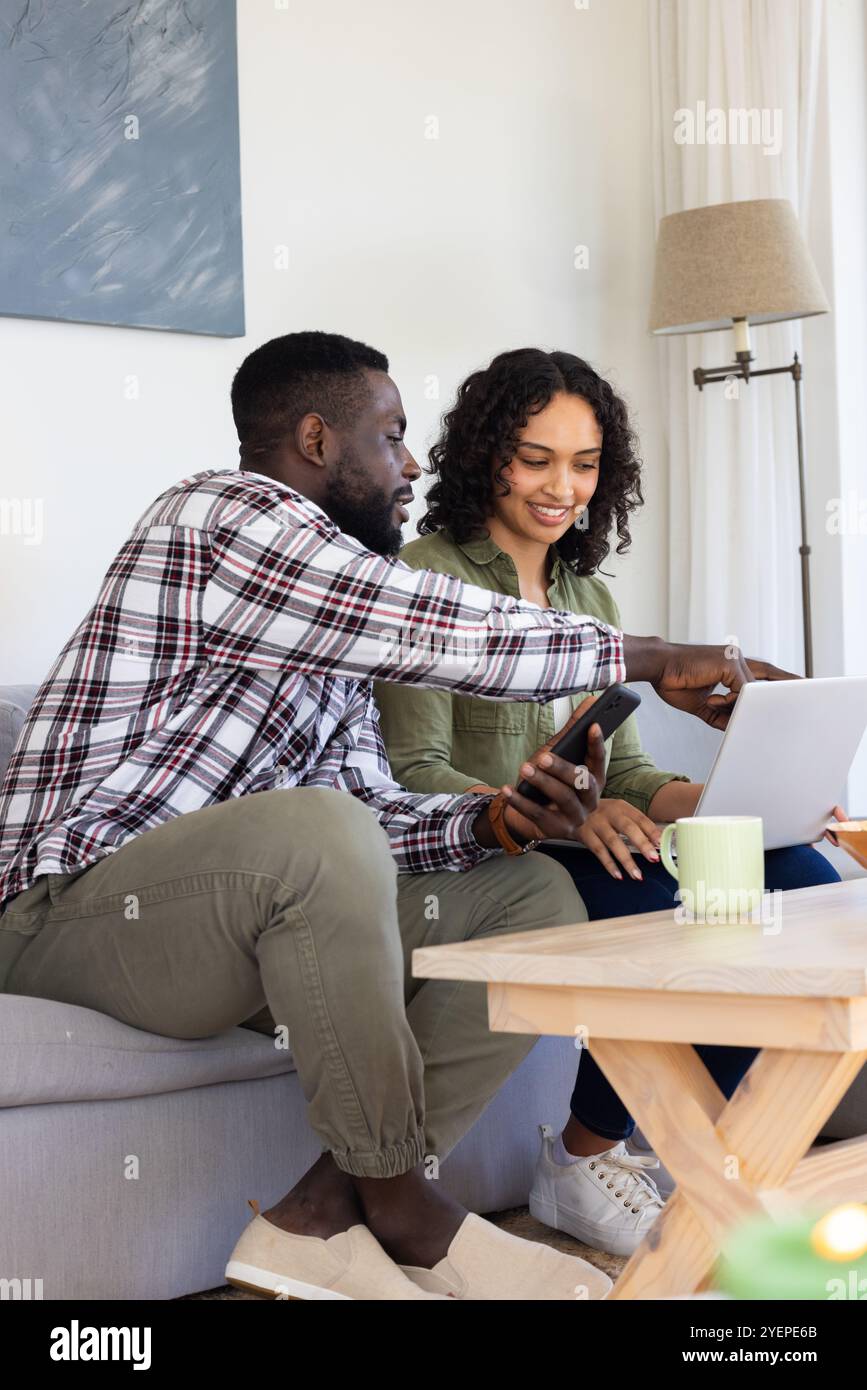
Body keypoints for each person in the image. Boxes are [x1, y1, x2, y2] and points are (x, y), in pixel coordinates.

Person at [0, 332, 790, 1300]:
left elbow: (371, 805)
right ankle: (410, 1212)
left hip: (239, 930)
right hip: (72, 918)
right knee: (312, 828)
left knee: (530, 895)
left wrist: (492, 823)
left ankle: (317, 1219)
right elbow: (423, 627)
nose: (411, 462)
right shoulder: (219, 513)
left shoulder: (325, 625)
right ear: (318, 439)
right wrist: (658, 655)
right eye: (392, 435)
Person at [375, 346, 845, 1258]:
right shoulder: (426, 579)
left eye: (583, 464)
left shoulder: (587, 595)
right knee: (682, 915)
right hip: (487, 852)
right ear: (486, 457)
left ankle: (636, 1157)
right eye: (535, 458)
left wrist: (719, 800)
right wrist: (563, 813)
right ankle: (594, 1160)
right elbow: (413, 771)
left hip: (585, 842)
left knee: (792, 871)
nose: (562, 487)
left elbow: (624, 773)